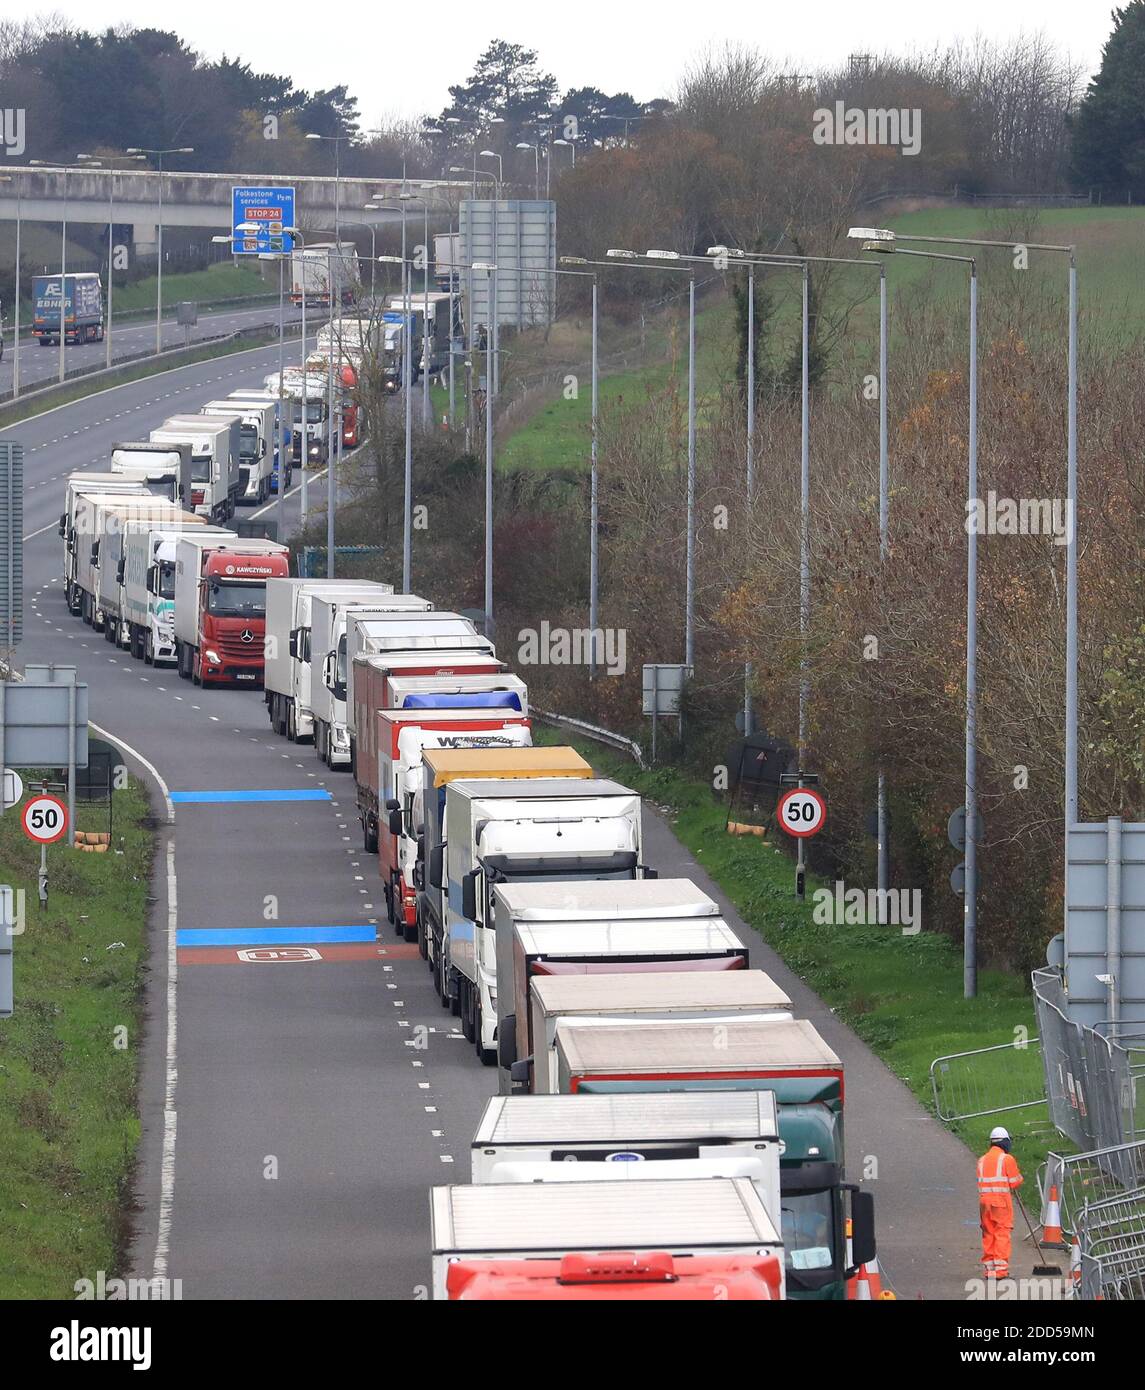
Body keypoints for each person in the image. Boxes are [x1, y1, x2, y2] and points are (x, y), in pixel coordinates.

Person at [977, 1125, 1023, 1279]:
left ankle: (989, 1270)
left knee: (988, 1233)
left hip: (984, 1203)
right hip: (1000, 1203)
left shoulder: (981, 1160)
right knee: (1001, 1234)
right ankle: (1001, 1270)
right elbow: (1015, 1182)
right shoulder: (1006, 1159)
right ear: (1005, 1142)